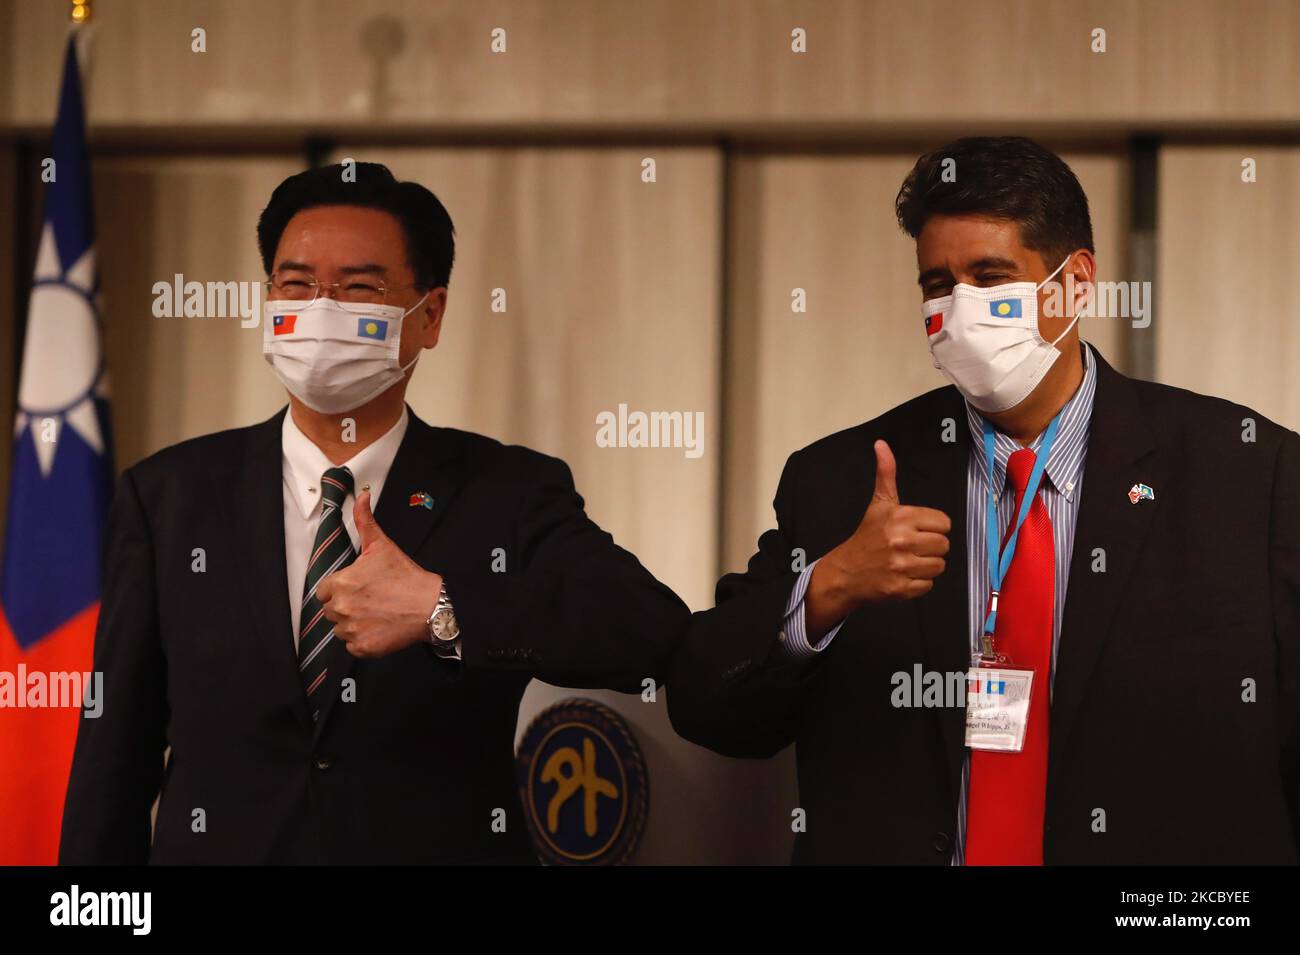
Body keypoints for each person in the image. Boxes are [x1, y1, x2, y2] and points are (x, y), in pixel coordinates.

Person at [667, 137, 1300, 865]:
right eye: (938, 284)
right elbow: (705, 700)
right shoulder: (846, 482)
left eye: (988, 275)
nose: (960, 309)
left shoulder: (1247, 473)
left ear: (1074, 283)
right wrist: (830, 586)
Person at [60, 162, 689, 864]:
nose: (322, 308)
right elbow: (114, 764)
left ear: (431, 315)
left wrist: (442, 608)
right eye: (296, 283)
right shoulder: (169, 497)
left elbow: (652, 631)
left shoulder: (506, 490)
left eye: (359, 286)